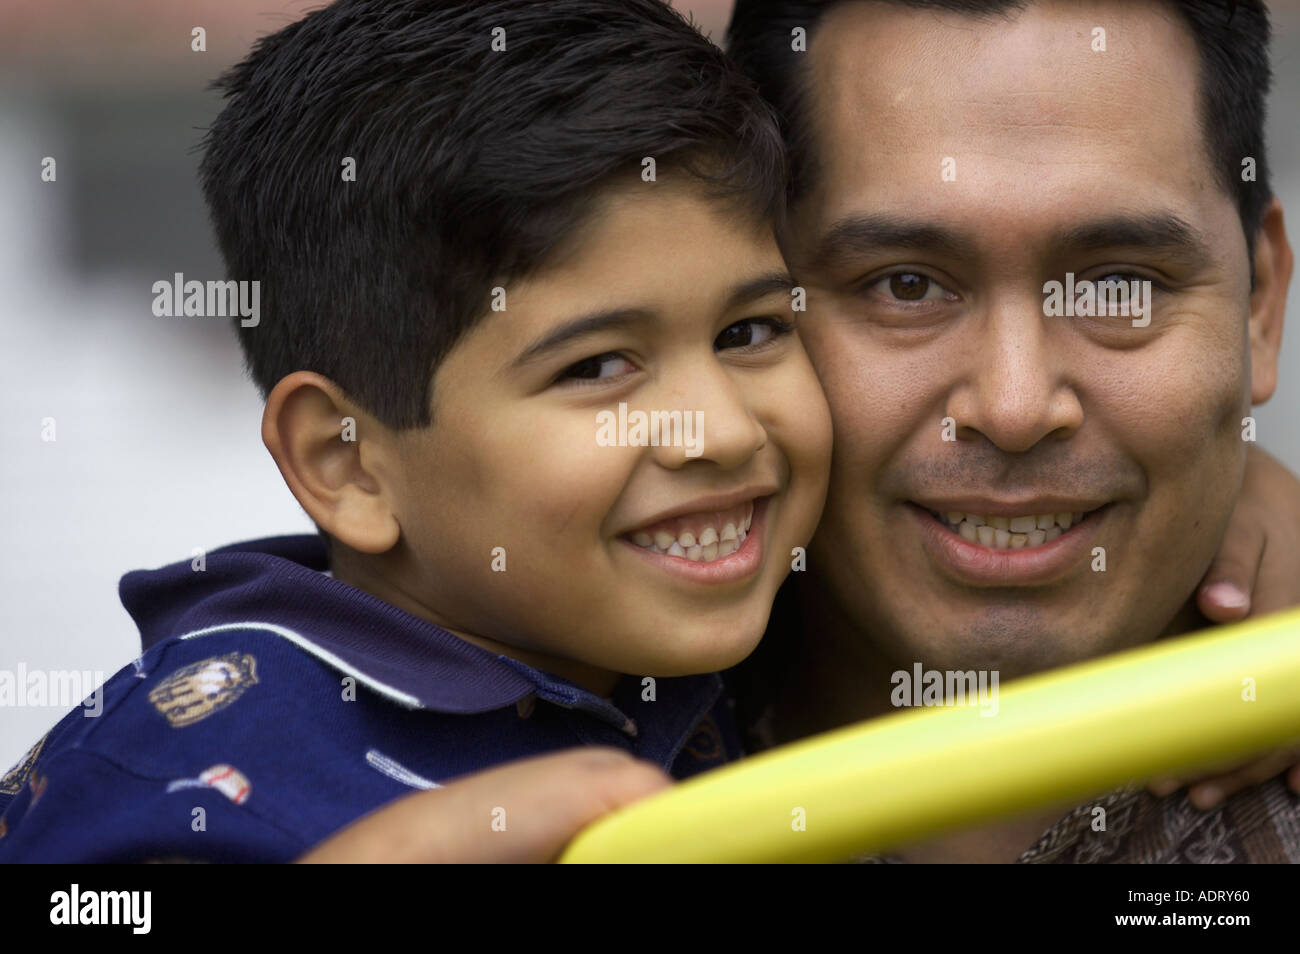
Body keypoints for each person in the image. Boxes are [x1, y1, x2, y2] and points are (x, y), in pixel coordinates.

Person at [0, 0, 833, 862]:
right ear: (347, 463)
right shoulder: (178, 766)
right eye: (594, 368)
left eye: (750, 332)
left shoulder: (792, 641)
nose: (726, 433)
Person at [724, 0, 1300, 862]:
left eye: (1117, 287)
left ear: (1259, 306)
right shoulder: (533, 757)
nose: (1015, 406)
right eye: (907, 286)